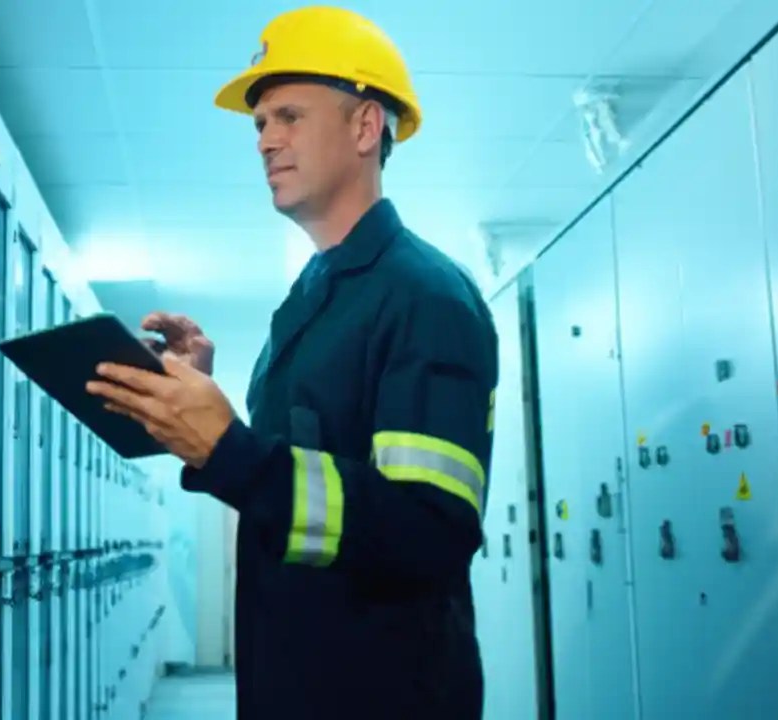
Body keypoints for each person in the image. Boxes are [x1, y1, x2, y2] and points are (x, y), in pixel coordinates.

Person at [86, 6, 498, 719]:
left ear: (366, 127)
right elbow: (299, 488)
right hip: (295, 682)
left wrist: (231, 449)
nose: (266, 141)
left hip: (383, 695)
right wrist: (206, 410)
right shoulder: (313, 299)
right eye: (259, 126)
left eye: (288, 116)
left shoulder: (426, 296)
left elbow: (429, 532)